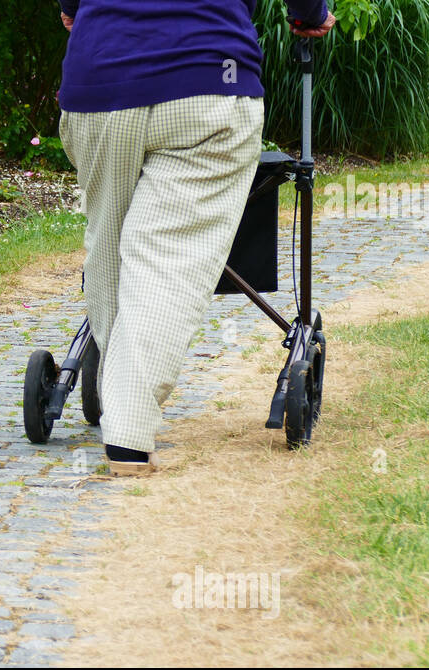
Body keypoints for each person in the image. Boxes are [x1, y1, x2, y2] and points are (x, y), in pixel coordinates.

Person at [56, 0, 335, 476]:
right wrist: (310, 12)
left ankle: (113, 387)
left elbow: (70, 8)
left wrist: (73, 7)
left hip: (98, 85)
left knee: (108, 243)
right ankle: (126, 431)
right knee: (166, 257)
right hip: (207, 86)